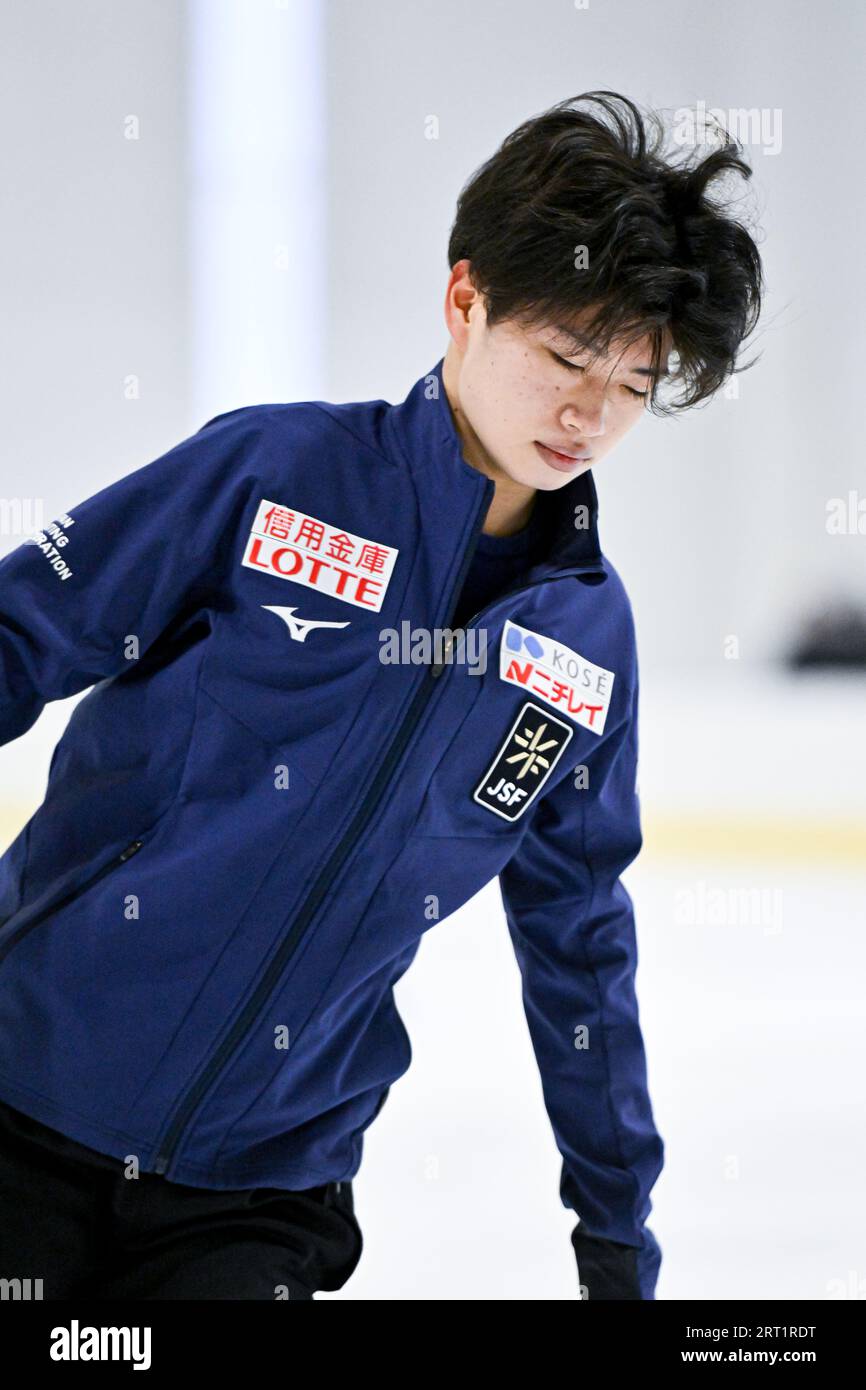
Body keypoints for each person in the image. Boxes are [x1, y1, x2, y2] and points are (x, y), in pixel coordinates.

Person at [0, 90, 763, 1300]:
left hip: (262, 1188)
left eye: (630, 382)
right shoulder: (272, 478)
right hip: (23, 1107)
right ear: (463, 300)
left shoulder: (583, 642)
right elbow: (18, 632)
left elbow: (578, 943)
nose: (588, 413)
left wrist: (614, 1232)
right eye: (565, 356)